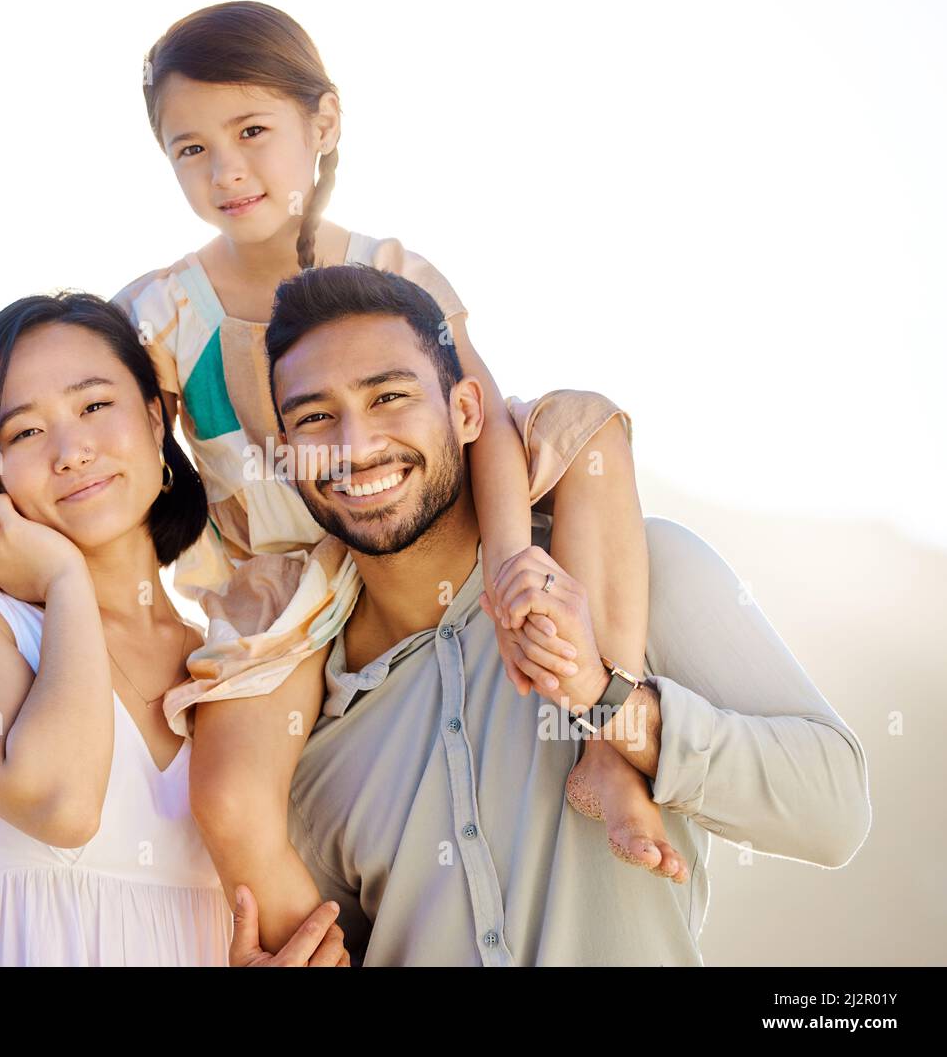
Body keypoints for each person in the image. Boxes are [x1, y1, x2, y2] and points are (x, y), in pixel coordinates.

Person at [106, 0, 672, 954]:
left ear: (321, 125)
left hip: (418, 526)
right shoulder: (157, 315)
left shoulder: (389, 268)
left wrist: (505, 561)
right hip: (277, 587)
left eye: (251, 132)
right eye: (189, 150)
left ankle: (607, 747)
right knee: (232, 800)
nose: (226, 169)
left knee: (588, 430)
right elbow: (121, 469)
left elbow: (480, 416)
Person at [217, 262, 870, 966]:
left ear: (467, 410)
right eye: (316, 416)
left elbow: (834, 811)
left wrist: (612, 702)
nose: (356, 442)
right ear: (285, 457)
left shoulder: (645, 573)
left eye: (389, 397)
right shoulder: (307, 736)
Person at [0, 291, 347, 966]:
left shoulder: (235, 665)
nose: (72, 451)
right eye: (24, 432)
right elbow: (65, 804)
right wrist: (64, 580)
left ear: (157, 417)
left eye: (95, 405)